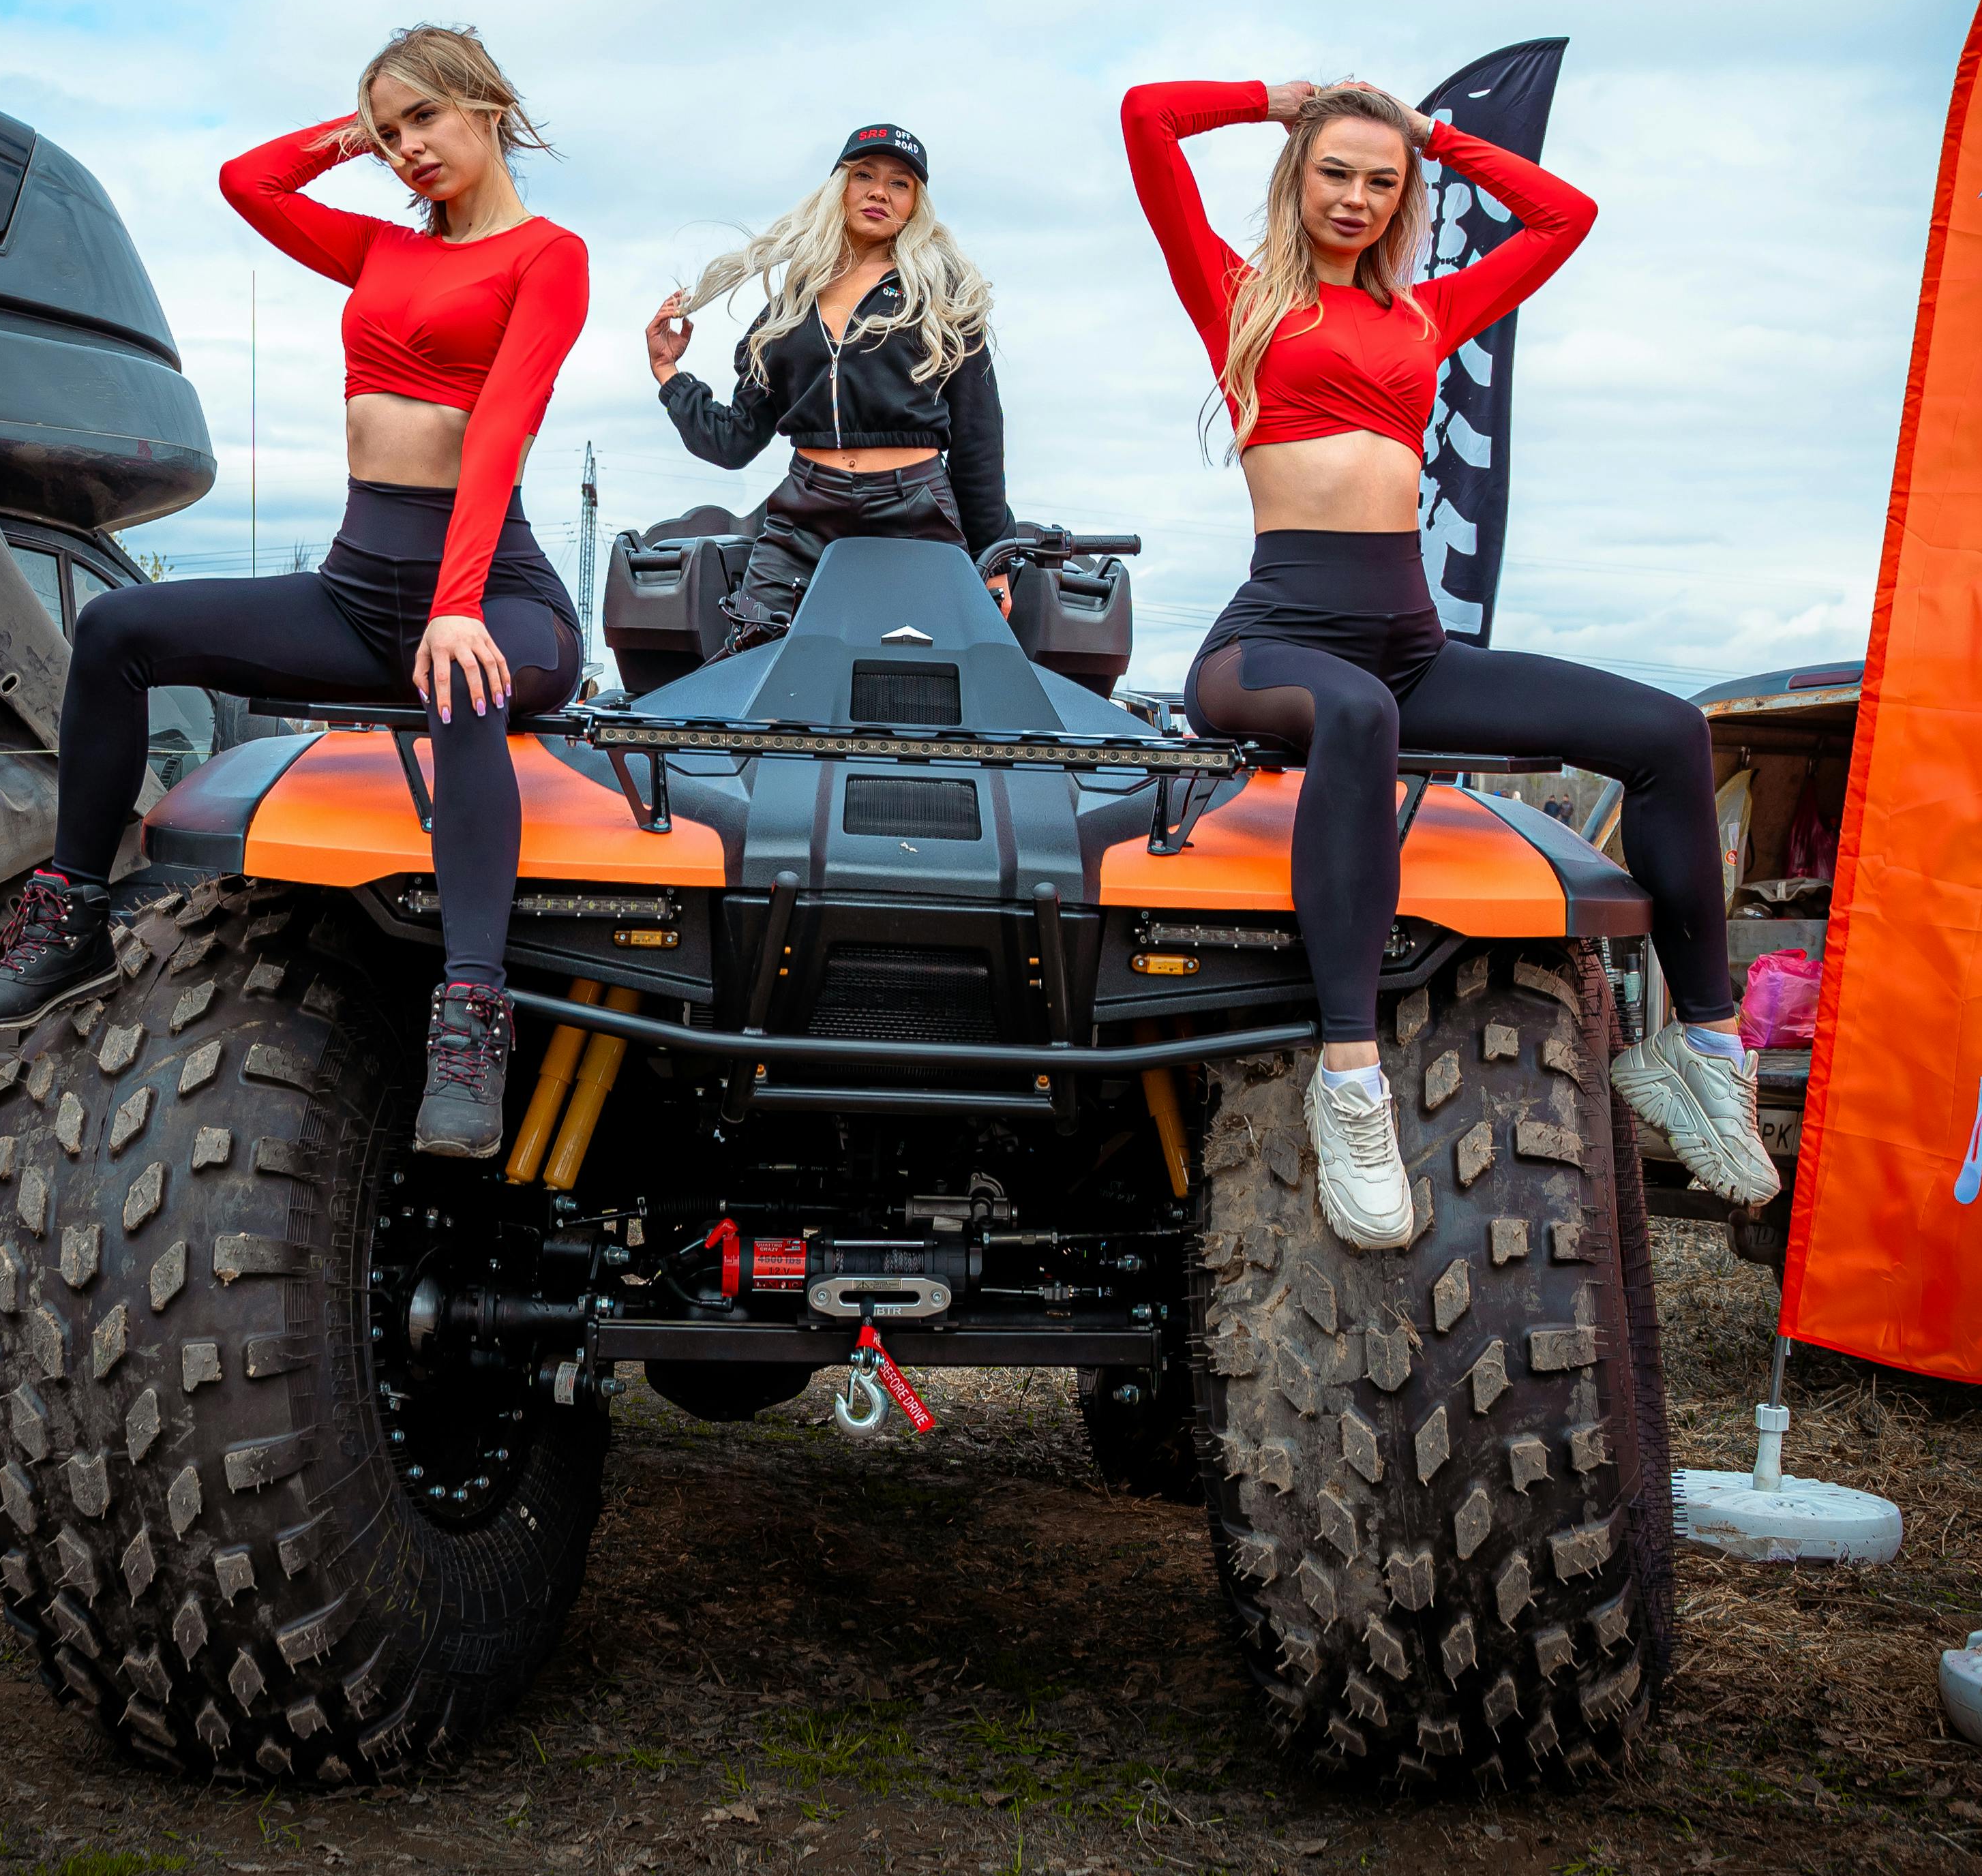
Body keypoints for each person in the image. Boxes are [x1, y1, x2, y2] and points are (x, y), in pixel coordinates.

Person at [1123, 71, 1777, 1252]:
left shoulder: (1428, 317)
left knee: (1669, 733)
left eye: (1383, 181)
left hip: (1410, 650)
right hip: (1271, 648)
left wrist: (1436, 135)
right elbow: (1145, 116)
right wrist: (1286, 97)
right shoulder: (1238, 296)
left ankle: (1706, 1044)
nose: (1357, 198)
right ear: (1295, 178)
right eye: (1335, 173)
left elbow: (1564, 216)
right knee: (1359, 713)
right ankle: (1352, 1078)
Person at [0, 23, 588, 1162]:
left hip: (497, 596)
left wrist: (454, 606)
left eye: (426, 120)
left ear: (488, 107)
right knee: (117, 626)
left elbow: (501, 427)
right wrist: (354, 130)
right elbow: (246, 180)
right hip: (355, 596)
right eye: (390, 132)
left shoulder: (549, 255)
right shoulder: (382, 254)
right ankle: (71, 916)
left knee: (464, 690)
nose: (408, 150)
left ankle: (470, 1026)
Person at [646, 125, 1015, 647]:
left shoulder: (944, 299)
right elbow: (731, 442)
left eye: (900, 183)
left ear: (915, 205)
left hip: (913, 508)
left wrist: (992, 558)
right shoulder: (789, 307)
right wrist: (669, 374)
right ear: (837, 188)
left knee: (915, 679)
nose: (879, 192)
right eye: (863, 175)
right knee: (753, 658)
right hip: (805, 514)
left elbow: (980, 438)